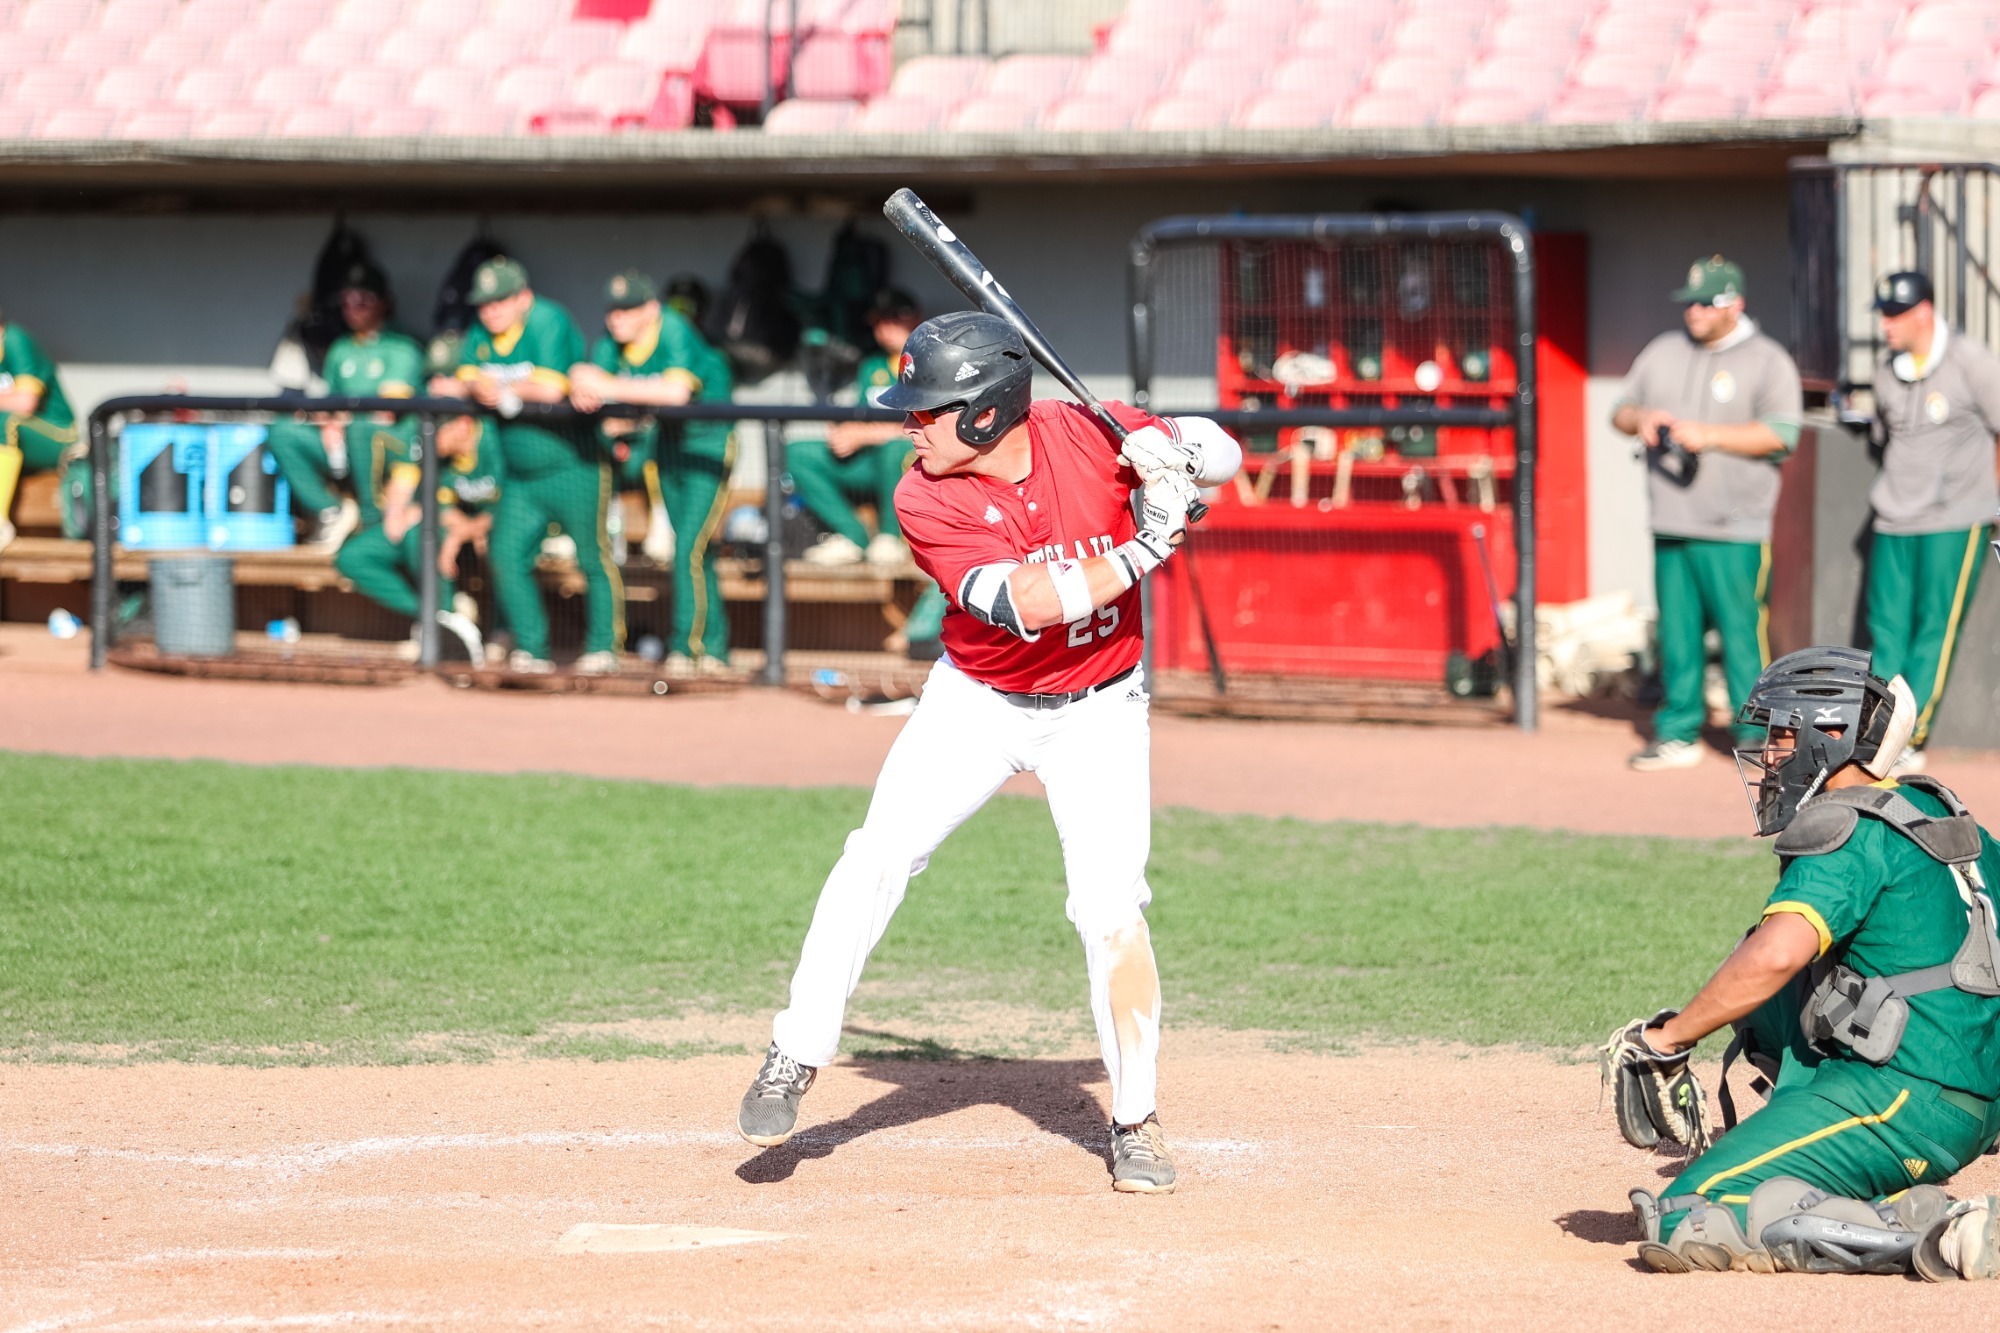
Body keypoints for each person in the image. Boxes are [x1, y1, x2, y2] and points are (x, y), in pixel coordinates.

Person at [734, 312, 1242, 1194]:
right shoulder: (923, 496)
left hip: (1101, 707)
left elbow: (1225, 454)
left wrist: (1177, 453)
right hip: (976, 700)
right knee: (876, 855)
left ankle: (1135, 1118)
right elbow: (1028, 602)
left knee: (1111, 908)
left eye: (925, 409)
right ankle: (797, 1048)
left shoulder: (1092, 432)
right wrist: (1149, 540)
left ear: (983, 414)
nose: (909, 424)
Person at [1607, 646, 2000, 1280]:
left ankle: (1930, 1233)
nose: (1770, 754)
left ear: (1833, 737)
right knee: (1768, 986)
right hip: (1973, 1100)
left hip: (1901, 1102)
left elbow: (1779, 952)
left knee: (1688, 1213)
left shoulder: (1845, 825)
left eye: (1784, 733)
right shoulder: (1958, 824)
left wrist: (1665, 1040)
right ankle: (1851, 1169)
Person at [1612, 255, 1803, 772]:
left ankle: (1758, 737)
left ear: (1734, 303)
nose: (1693, 311)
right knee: (1677, 634)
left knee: (1742, 633)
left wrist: (1712, 435)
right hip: (1672, 518)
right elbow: (1620, 411)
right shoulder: (1663, 352)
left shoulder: (1767, 360)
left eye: (1705, 302)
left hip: (1735, 525)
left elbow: (1782, 435)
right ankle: (1678, 730)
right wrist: (1643, 418)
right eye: (1690, 301)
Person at [432, 256, 620, 676]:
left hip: (574, 465)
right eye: (484, 303)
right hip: (522, 475)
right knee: (505, 554)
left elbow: (553, 388)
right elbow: (459, 379)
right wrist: (481, 385)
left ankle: (604, 648)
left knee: (593, 559)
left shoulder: (548, 320)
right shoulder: (481, 331)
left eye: (500, 301)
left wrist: (493, 386)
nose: (490, 310)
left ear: (524, 297)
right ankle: (532, 648)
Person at [1863, 271, 2000, 771]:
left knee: (1933, 630)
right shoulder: (1885, 369)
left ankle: (1910, 737)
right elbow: (1884, 432)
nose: (1885, 324)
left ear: (1924, 311)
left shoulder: (1972, 362)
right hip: (1894, 515)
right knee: (1885, 628)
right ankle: (1879, 732)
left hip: (1955, 517)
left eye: (1894, 314)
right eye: (1881, 313)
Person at [570, 269, 736, 677]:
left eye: (628, 309)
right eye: (613, 310)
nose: (618, 318)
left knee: (687, 552)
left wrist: (607, 386)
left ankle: (685, 648)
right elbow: (586, 377)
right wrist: (583, 381)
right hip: (667, 446)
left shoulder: (674, 328)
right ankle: (714, 649)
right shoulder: (614, 343)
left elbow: (674, 393)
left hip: (708, 447)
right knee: (695, 553)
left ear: (650, 308)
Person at [333, 332, 495, 658]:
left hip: (485, 532)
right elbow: (407, 476)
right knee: (359, 554)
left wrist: (464, 527)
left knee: (432, 538)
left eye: (448, 376)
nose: (438, 385)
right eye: (433, 377)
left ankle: (462, 626)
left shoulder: (493, 436)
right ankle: (436, 620)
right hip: (441, 524)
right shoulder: (421, 420)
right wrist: (398, 511)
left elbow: (507, 509)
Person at [265, 261, 425, 549]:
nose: (354, 308)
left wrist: (344, 420)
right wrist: (328, 422)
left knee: (363, 425)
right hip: (346, 442)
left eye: (364, 300)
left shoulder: (401, 345)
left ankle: (371, 520)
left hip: (397, 445)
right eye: (347, 301)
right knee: (283, 430)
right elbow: (332, 401)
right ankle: (332, 509)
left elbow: (388, 410)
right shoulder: (341, 349)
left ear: (384, 302)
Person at [789, 288, 923, 568]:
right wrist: (846, 430)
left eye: (893, 319)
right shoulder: (872, 365)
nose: (885, 328)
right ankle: (852, 536)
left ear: (913, 319)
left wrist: (865, 434)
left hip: (914, 468)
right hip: (868, 465)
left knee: (896, 448)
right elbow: (863, 414)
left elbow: (932, 428)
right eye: (879, 321)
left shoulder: (929, 362)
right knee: (799, 452)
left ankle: (891, 538)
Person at [0, 306, 80, 548]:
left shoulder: (14, 339)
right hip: (17, 449)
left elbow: (25, 402)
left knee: (5, 421)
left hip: (59, 436)